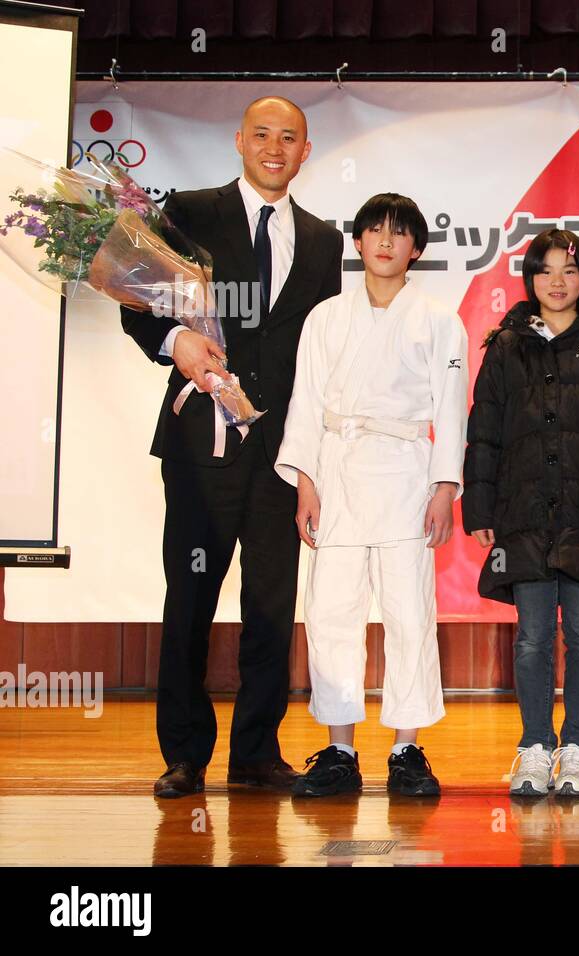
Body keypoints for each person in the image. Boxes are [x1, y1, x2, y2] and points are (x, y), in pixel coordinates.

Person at [120, 96, 344, 798]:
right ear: (239, 141)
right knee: (190, 598)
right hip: (200, 446)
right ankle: (184, 754)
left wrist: (313, 459)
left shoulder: (323, 239)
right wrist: (175, 339)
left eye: (290, 138)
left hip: (280, 453)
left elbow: (322, 354)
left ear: (306, 150)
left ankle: (256, 752)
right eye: (263, 135)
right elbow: (136, 300)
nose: (275, 147)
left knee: (273, 609)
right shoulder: (189, 211)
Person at [274, 193, 467, 797]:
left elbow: (450, 411)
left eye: (399, 232)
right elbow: (305, 402)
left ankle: (407, 749)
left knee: (409, 613)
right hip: (336, 470)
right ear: (356, 242)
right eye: (374, 231)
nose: (385, 241)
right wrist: (306, 479)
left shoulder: (439, 320)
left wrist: (445, 485)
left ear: (417, 248)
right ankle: (338, 751)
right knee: (332, 612)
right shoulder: (326, 317)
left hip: (407, 471)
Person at [463, 229, 579, 796]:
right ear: (529, 279)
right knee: (532, 637)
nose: (557, 282)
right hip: (522, 511)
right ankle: (536, 746)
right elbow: (485, 429)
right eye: (544, 271)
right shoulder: (507, 344)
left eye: (568, 270)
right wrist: (480, 502)